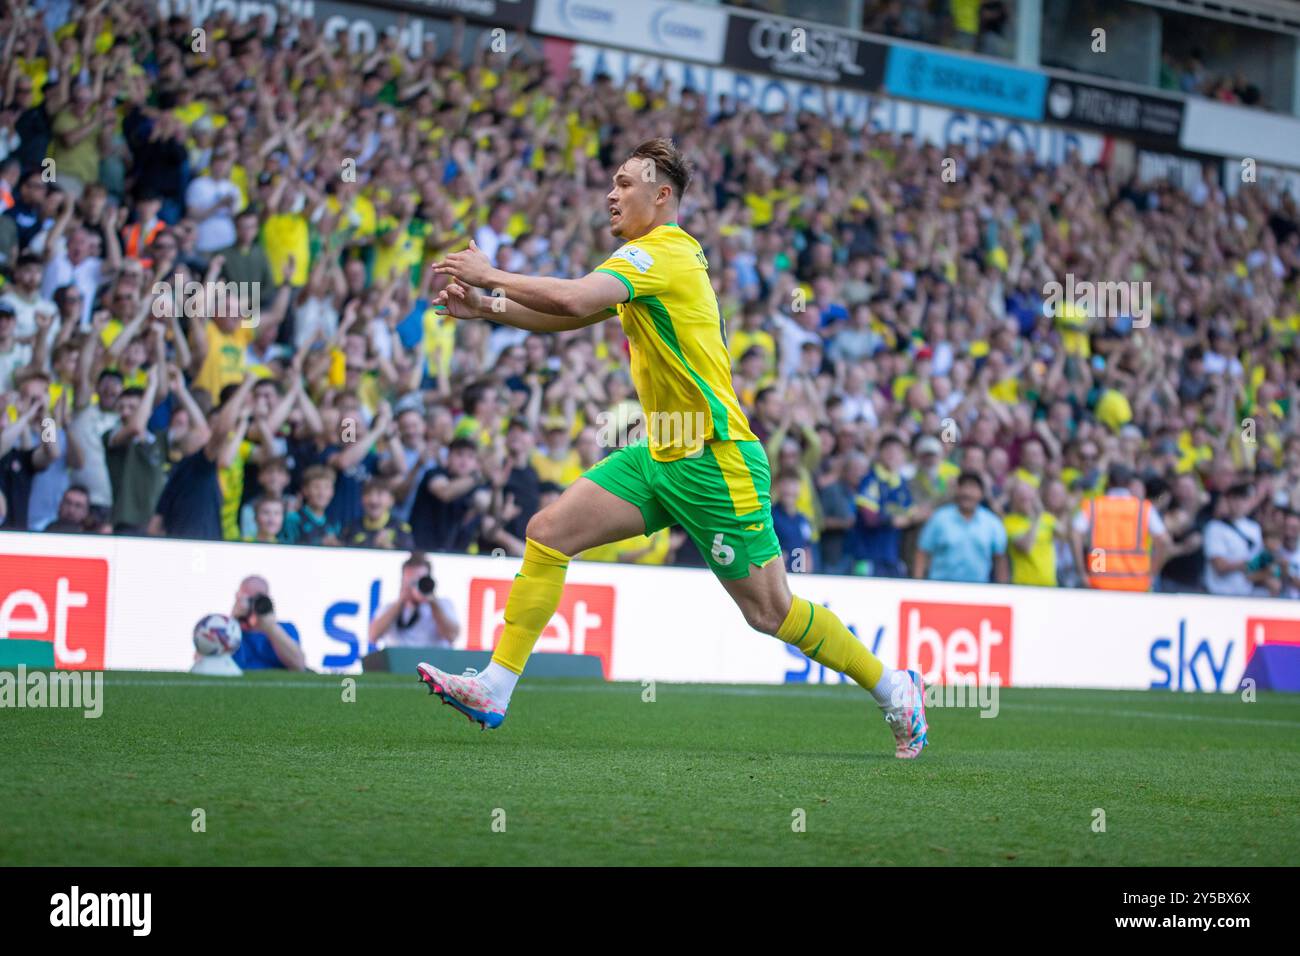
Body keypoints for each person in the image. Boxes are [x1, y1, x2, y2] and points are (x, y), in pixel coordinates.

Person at [425, 138, 927, 757]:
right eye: (610, 183)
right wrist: (489, 307)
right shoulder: (641, 260)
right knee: (549, 530)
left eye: (624, 183)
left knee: (771, 613)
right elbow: (575, 316)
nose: (611, 194)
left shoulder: (666, 253)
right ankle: (496, 687)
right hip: (661, 450)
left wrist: (491, 273)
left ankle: (895, 689)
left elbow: (574, 299)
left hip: (717, 460)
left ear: (662, 196)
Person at [915, 472, 1009, 584]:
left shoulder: (992, 523)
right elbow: (922, 552)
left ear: (982, 494)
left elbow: (1000, 560)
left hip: (978, 591)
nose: (967, 493)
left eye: (973, 488)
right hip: (940, 590)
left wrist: (1003, 589)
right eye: (964, 487)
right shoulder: (939, 518)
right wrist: (917, 584)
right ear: (957, 491)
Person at [368, 553, 461, 650]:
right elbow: (372, 636)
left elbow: (452, 636)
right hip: (399, 663)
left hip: (434, 663)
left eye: (420, 580)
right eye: (411, 581)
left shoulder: (443, 604)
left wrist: (432, 603)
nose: (415, 586)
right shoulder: (389, 607)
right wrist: (401, 601)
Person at [230, 575, 305, 671]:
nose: (253, 605)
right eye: (248, 599)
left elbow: (299, 666)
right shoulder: (229, 629)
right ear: (237, 597)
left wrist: (271, 628)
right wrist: (233, 620)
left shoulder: (285, 629)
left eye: (258, 599)